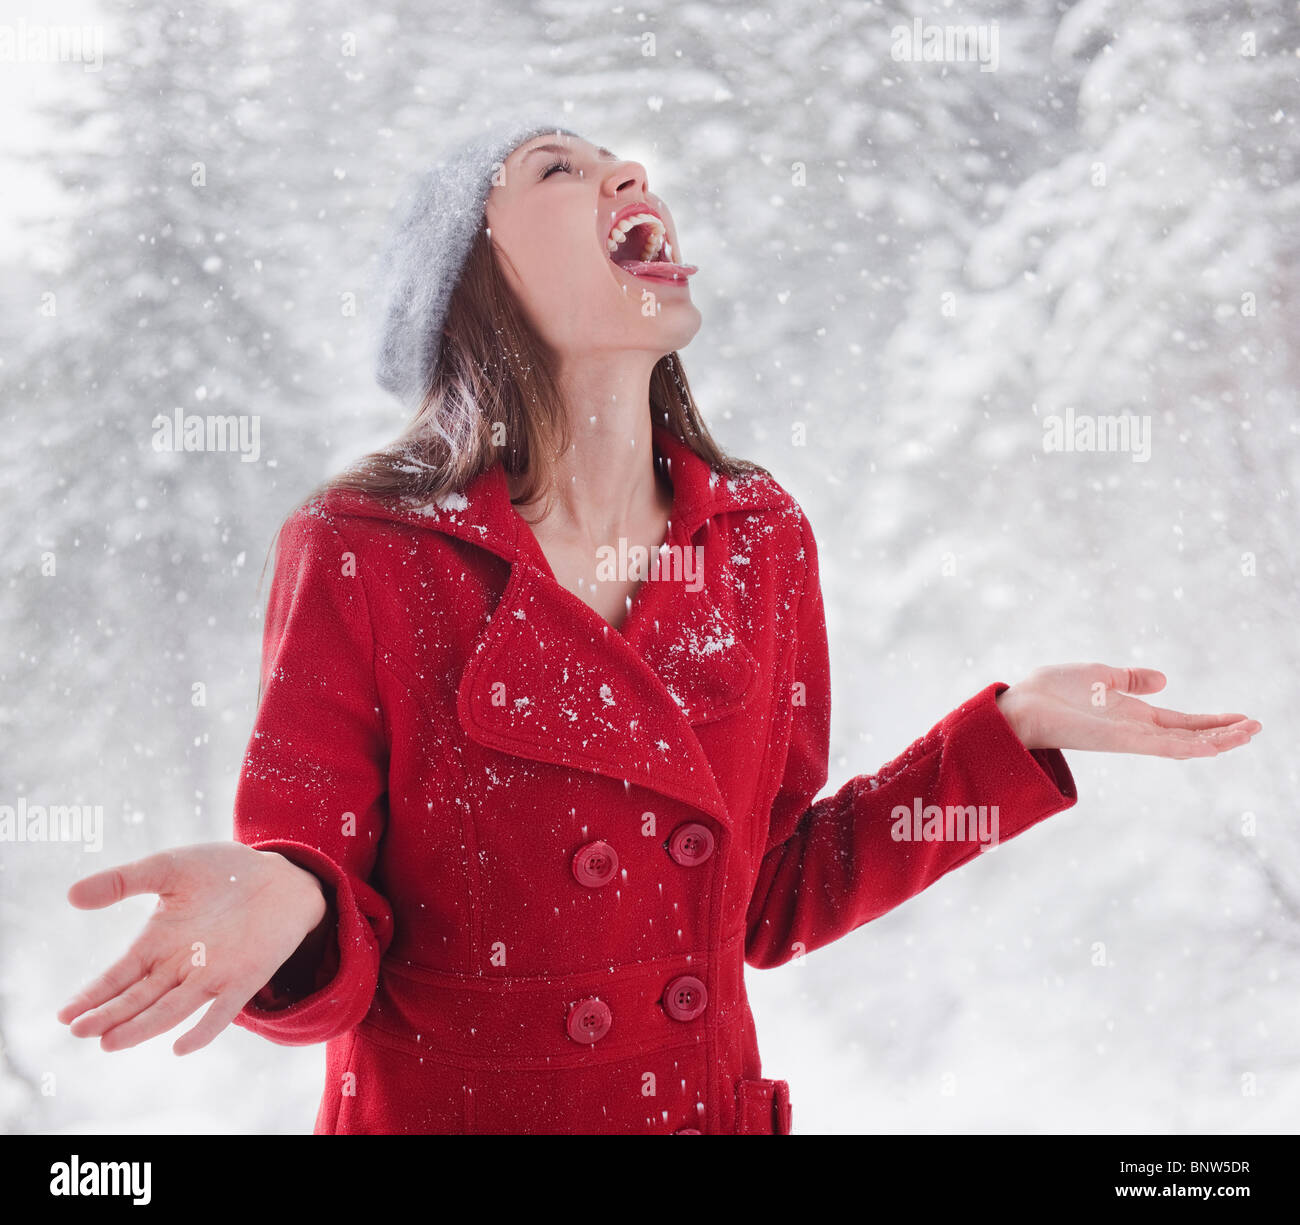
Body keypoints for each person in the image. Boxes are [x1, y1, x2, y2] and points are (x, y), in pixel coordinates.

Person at [57, 120, 1262, 1135]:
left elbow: (769, 895)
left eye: (625, 161)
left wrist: (1002, 736)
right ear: (466, 277)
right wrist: (291, 899)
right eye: (557, 169)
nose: (629, 176)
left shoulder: (762, 537)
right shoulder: (364, 550)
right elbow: (329, 919)